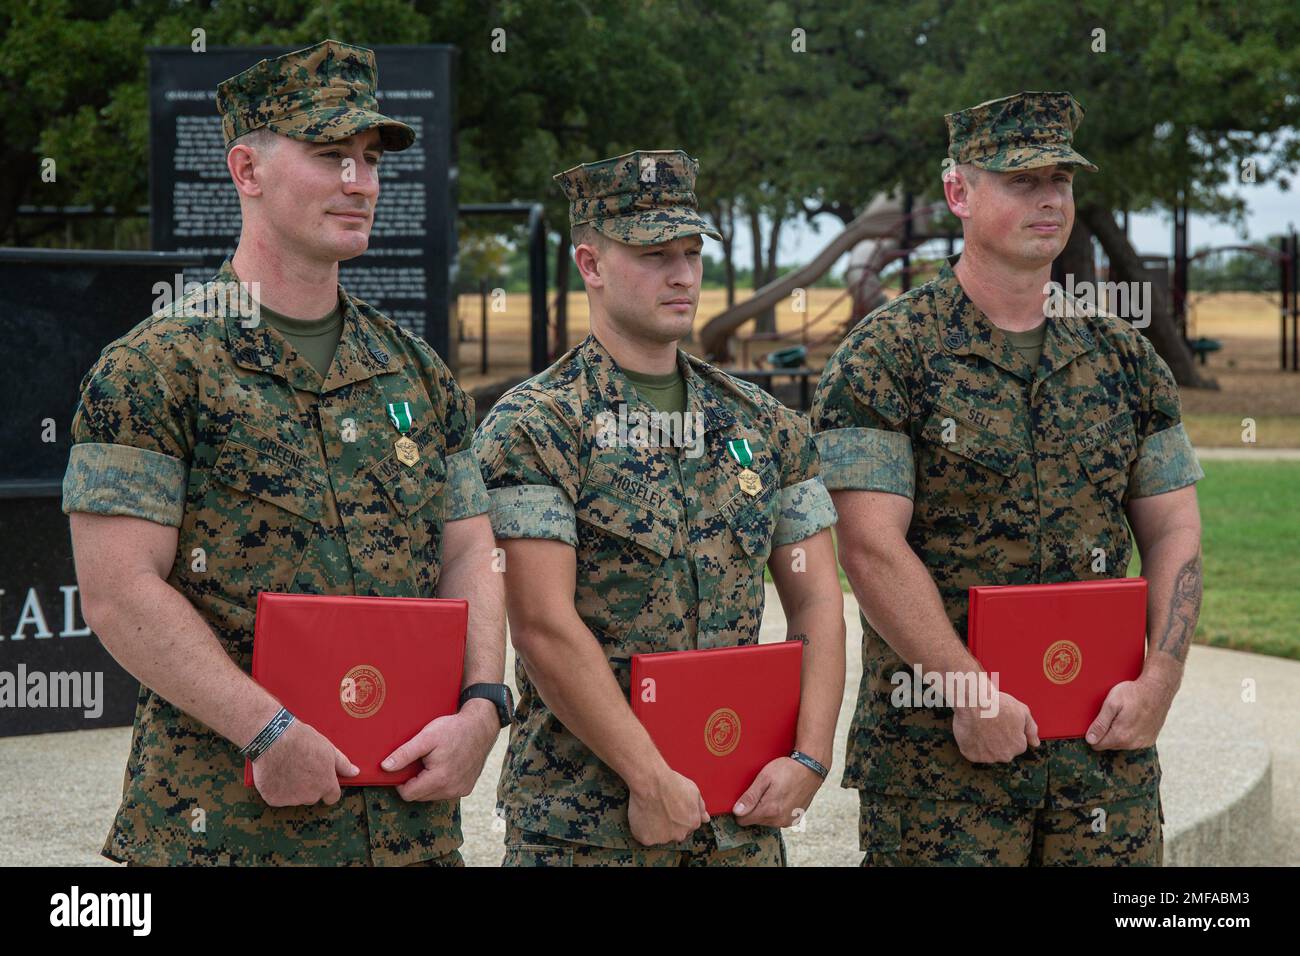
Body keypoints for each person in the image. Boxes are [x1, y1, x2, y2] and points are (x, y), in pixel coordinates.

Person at [62, 39, 510, 866]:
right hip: (226, 831)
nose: (360, 183)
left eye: (371, 160)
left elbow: (471, 548)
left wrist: (484, 705)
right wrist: (264, 729)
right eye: (330, 156)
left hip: (408, 832)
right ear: (246, 169)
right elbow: (120, 593)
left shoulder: (416, 371)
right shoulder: (156, 368)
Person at [812, 91, 1204, 866]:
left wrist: (1161, 677)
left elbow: (1174, 530)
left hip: (1103, 757)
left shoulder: (1124, 359)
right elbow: (868, 548)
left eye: (1060, 179)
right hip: (942, 770)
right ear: (959, 192)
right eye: (1021, 179)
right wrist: (966, 691)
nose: (1050, 198)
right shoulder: (888, 356)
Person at [473, 150, 845, 866]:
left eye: (691, 252)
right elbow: (544, 625)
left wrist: (810, 755)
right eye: (652, 254)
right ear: (591, 263)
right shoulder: (537, 427)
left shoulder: (762, 424)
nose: (681, 275)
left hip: (738, 817)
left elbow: (819, 598)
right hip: (587, 825)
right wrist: (649, 778)